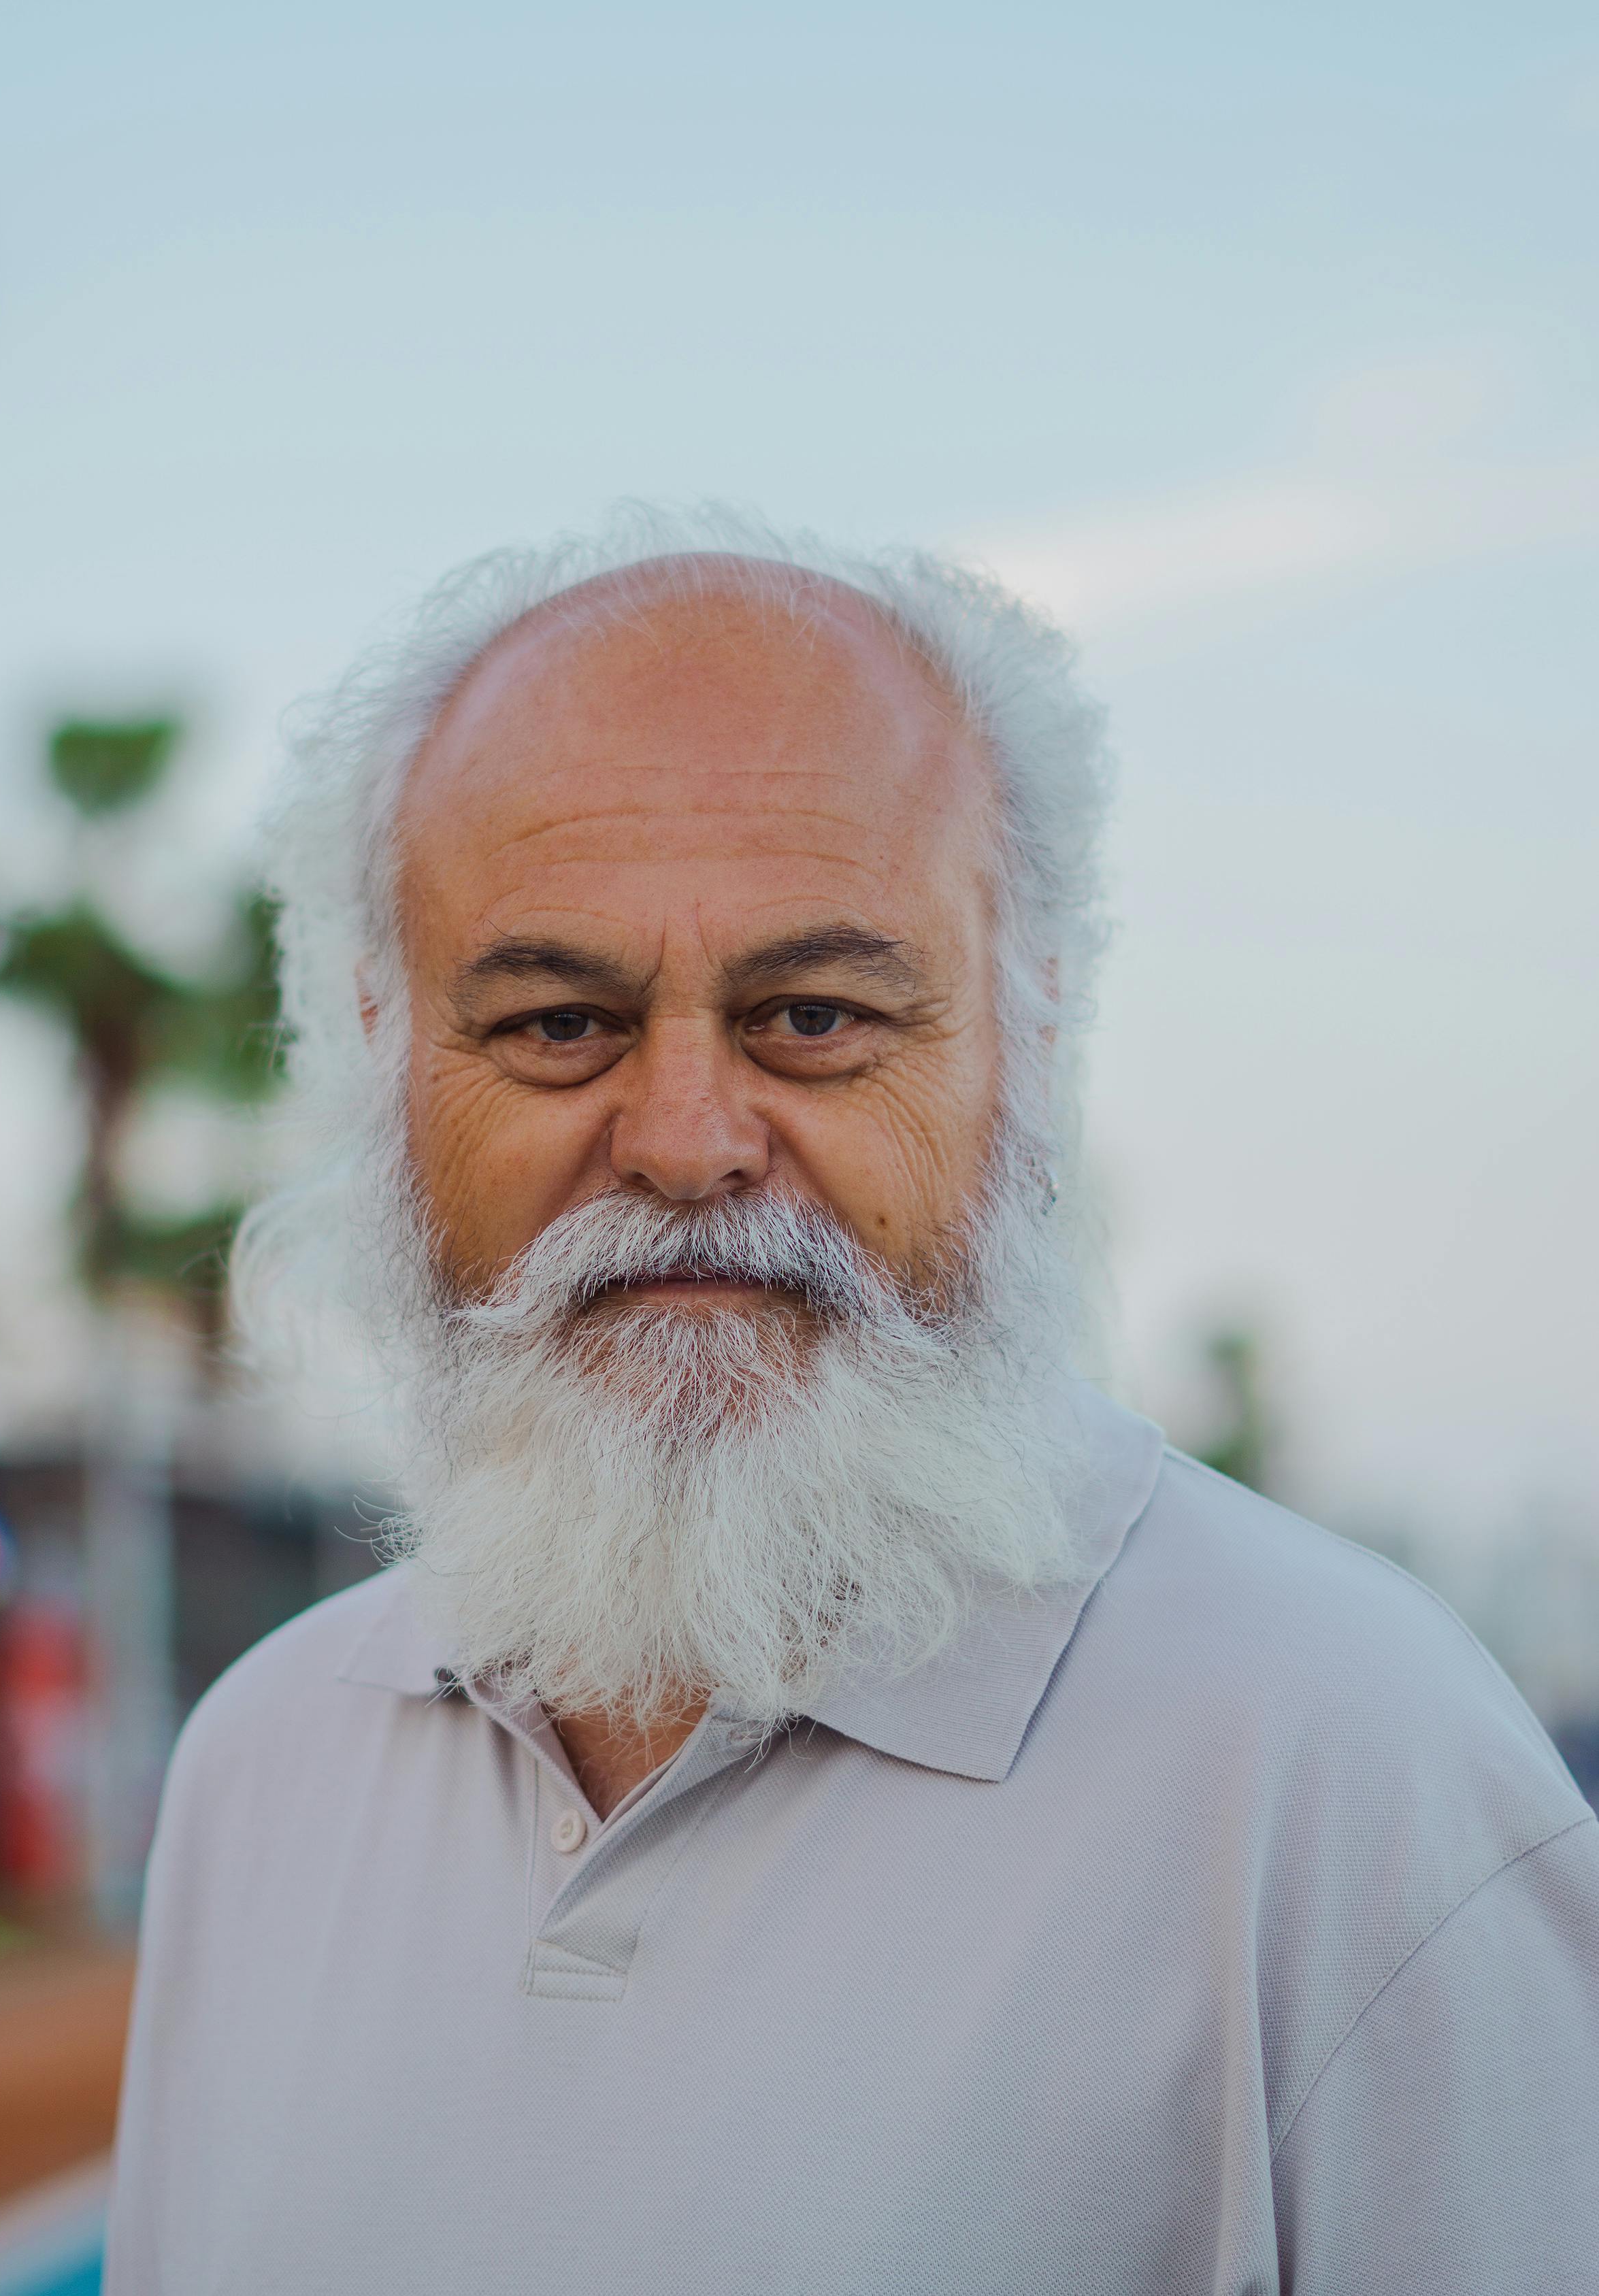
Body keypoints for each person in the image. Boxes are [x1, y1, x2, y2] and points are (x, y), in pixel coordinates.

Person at [106, 510, 1599, 2293]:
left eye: (811, 1017)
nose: (682, 1141)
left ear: (1027, 1049)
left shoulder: (1350, 1778)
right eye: (557, 1025)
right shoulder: (264, 1764)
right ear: (379, 1063)